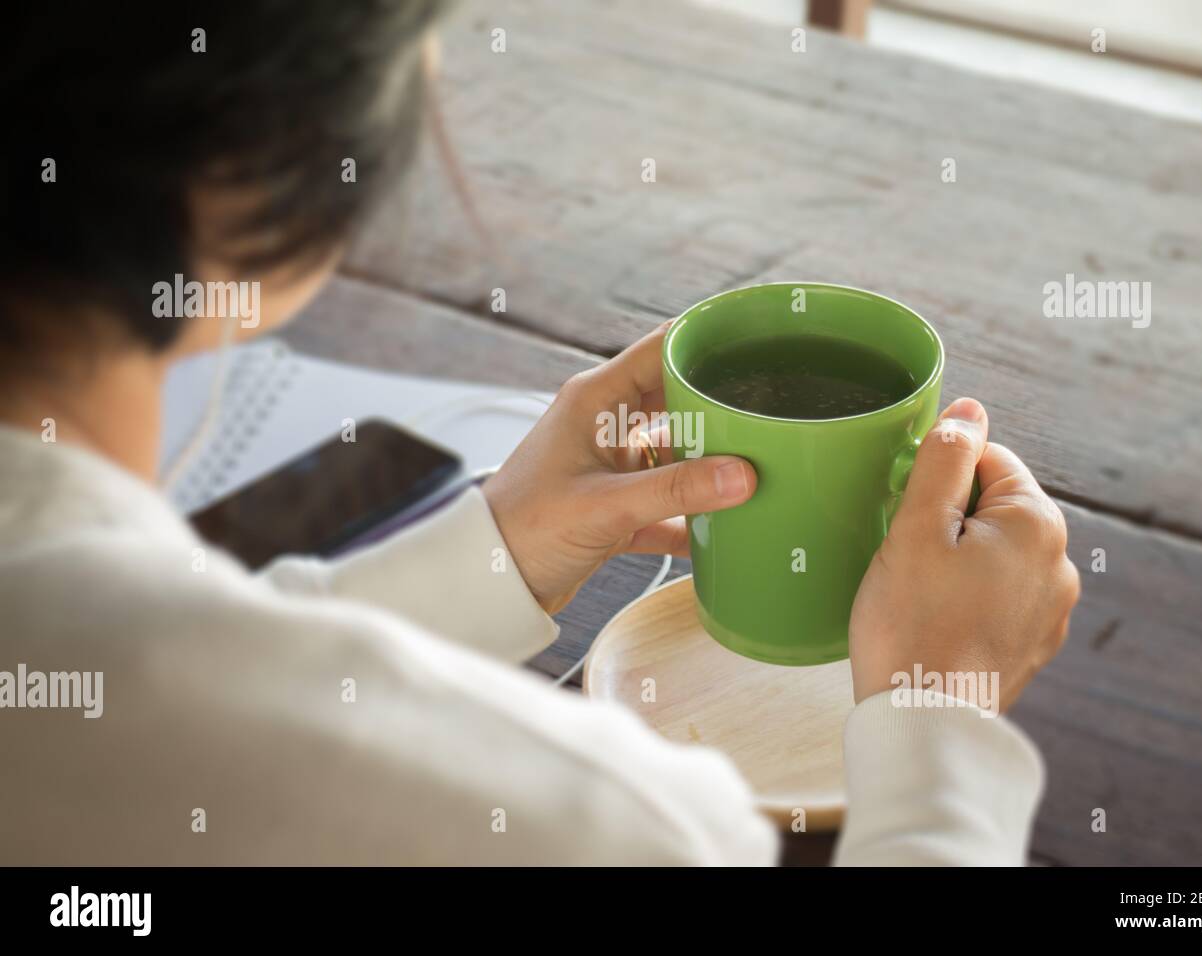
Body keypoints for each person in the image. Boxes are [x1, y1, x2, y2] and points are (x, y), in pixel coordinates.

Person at [0, 2, 1079, 865]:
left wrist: (500, 546)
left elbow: (161, 691)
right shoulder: (618, 826)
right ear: (247, 151)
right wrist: (941, 733)